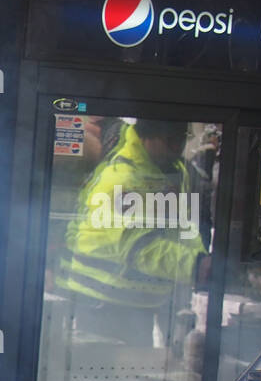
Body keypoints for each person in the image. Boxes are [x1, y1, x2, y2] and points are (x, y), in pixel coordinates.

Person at [55, 118, 207, 346]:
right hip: (102, 303)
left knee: (135, 374)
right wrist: (196, 266)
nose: (177, 148)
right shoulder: (121, 176)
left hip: (142, 305)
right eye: (169, 141)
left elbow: (185, 227)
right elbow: (137, 247)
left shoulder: (177, 172)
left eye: (181, 140)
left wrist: (202, 258)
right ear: (148, 135)